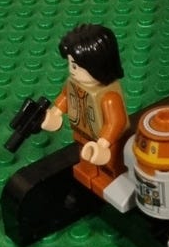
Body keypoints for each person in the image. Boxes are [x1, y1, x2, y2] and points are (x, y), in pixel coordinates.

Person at [41, 23, 130, 196]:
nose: (71, 70)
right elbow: (66, 97)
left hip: (109, 143)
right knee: (85, 160)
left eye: (75, 66)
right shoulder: (75, 85)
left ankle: (114, 184)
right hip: (83, 134)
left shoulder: (108, 97)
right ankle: (87, 179)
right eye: (70, 64)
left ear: (96, 66)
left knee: (112, 165)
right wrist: (55, 113)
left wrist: (103, 143)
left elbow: (115, 122)